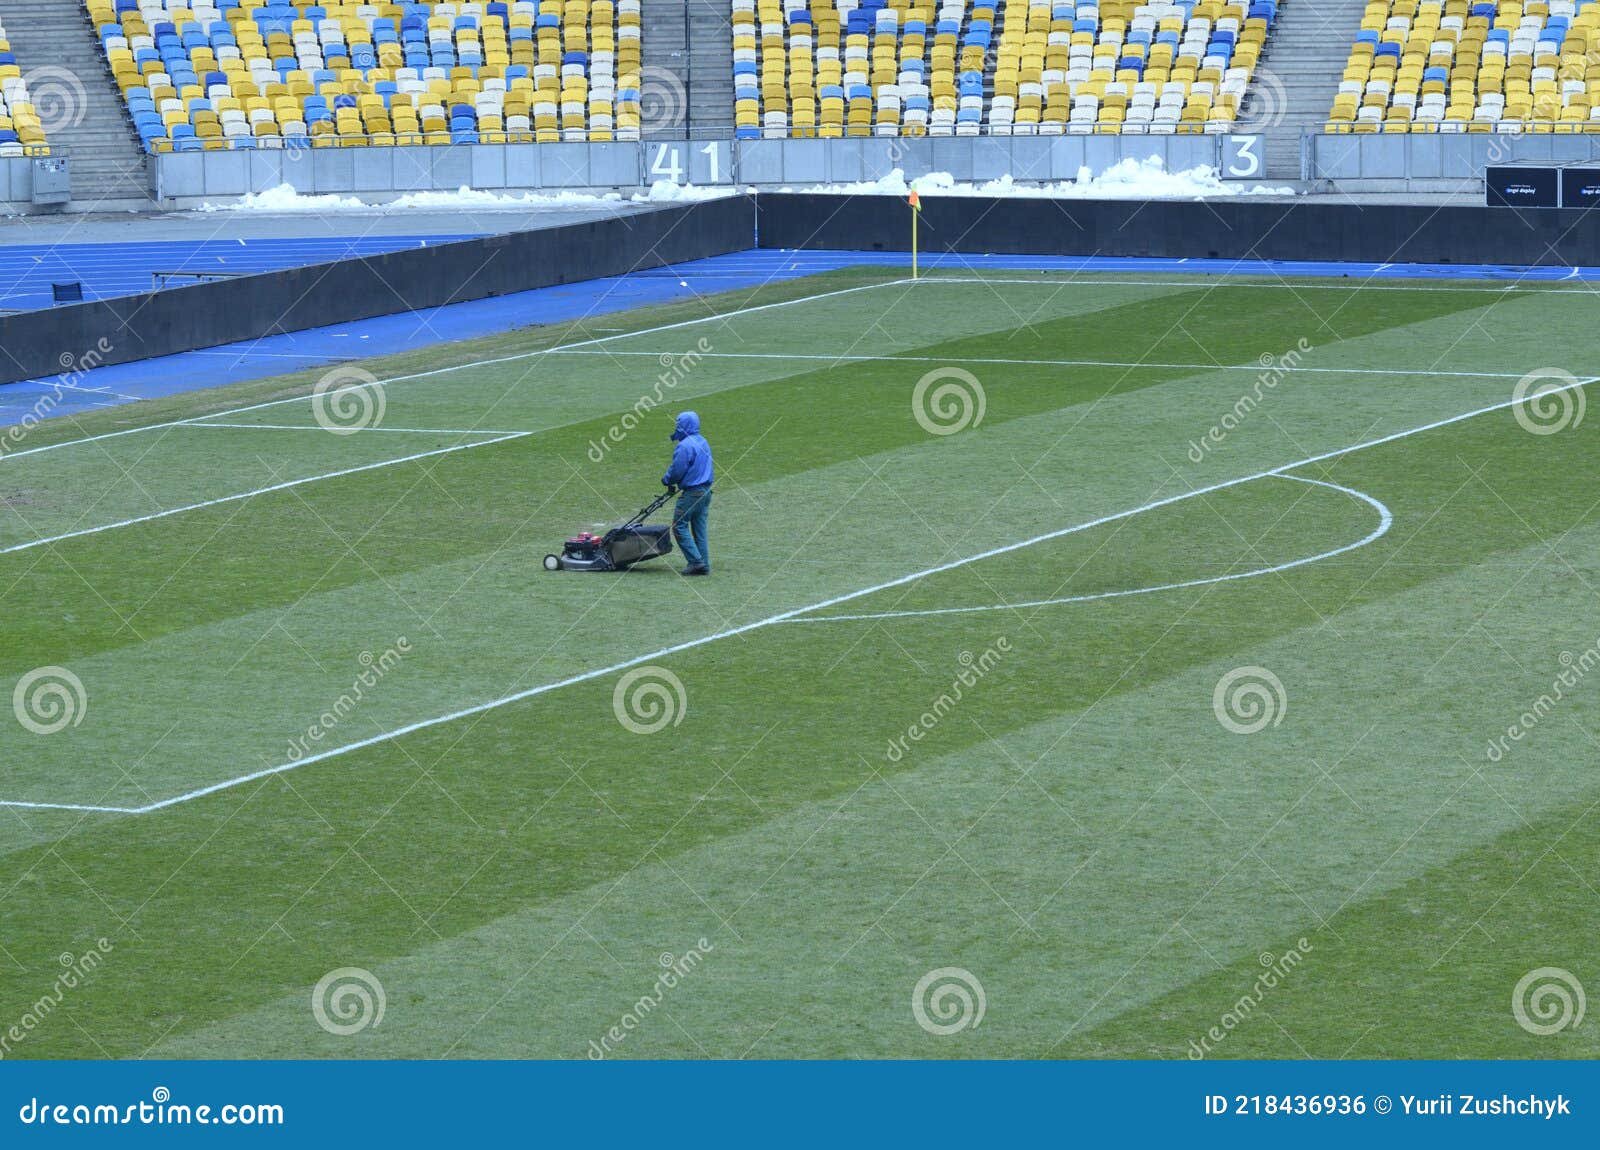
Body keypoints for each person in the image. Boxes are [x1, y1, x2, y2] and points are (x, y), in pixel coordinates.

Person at [662, 410, 713, 576]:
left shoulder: (684, 446)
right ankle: (703, 563)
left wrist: (667, 480)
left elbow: (678, 469)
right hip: (706, 492)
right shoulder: (703, 441)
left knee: (679, 525)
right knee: (699, 529)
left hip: (692, 493)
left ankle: (695, 562)